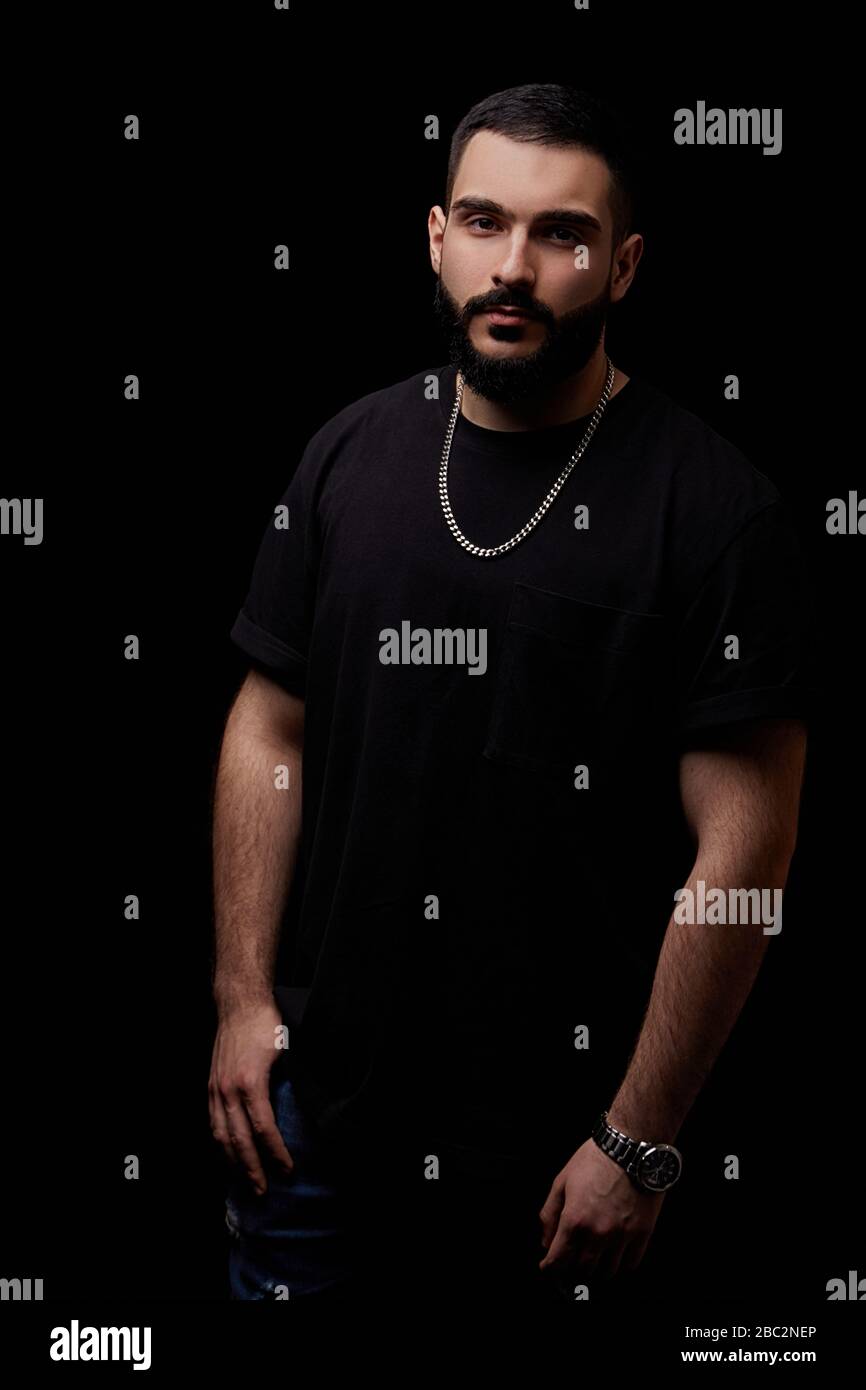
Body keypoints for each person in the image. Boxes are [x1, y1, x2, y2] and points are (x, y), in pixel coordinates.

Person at [209, 84, 815, 1308]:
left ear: (623, 263)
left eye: (562, 234)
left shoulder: (714, 512)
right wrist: (239, 1001)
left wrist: (636, 1139)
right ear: (436, 236)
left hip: (562, 1168)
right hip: (316, 1134)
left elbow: (744, 851)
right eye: (483, 223)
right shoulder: (347, 454)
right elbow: (270, 726)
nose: (516, 268)